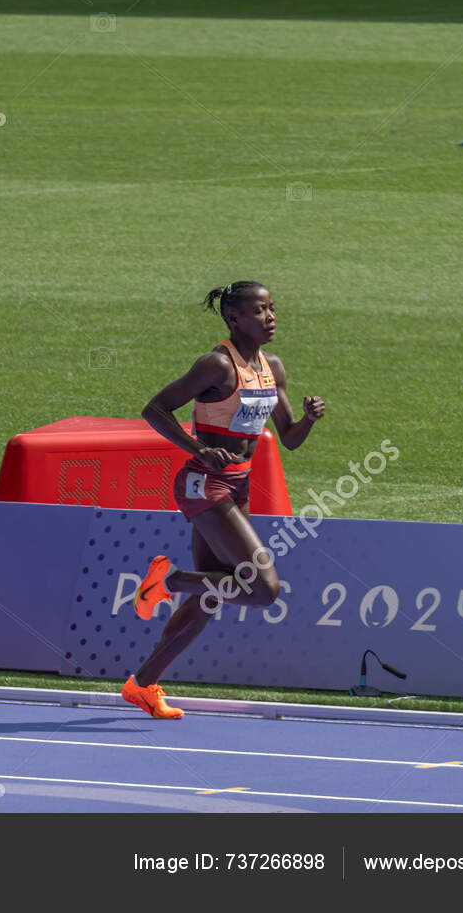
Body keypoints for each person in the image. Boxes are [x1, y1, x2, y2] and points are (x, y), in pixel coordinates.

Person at [122, 282, 324, 719]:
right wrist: (198, 449)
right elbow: (155, 409)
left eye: (272, 308)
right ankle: (168, 580)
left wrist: (307, 419)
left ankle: (142, 685)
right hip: (204, 485)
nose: (270, 317)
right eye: (259, 311)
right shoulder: (216, 365)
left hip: (238, 486)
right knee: (262, 588)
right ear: (234, 319)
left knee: (209, 598)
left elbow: (288, 439)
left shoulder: (272, 366)